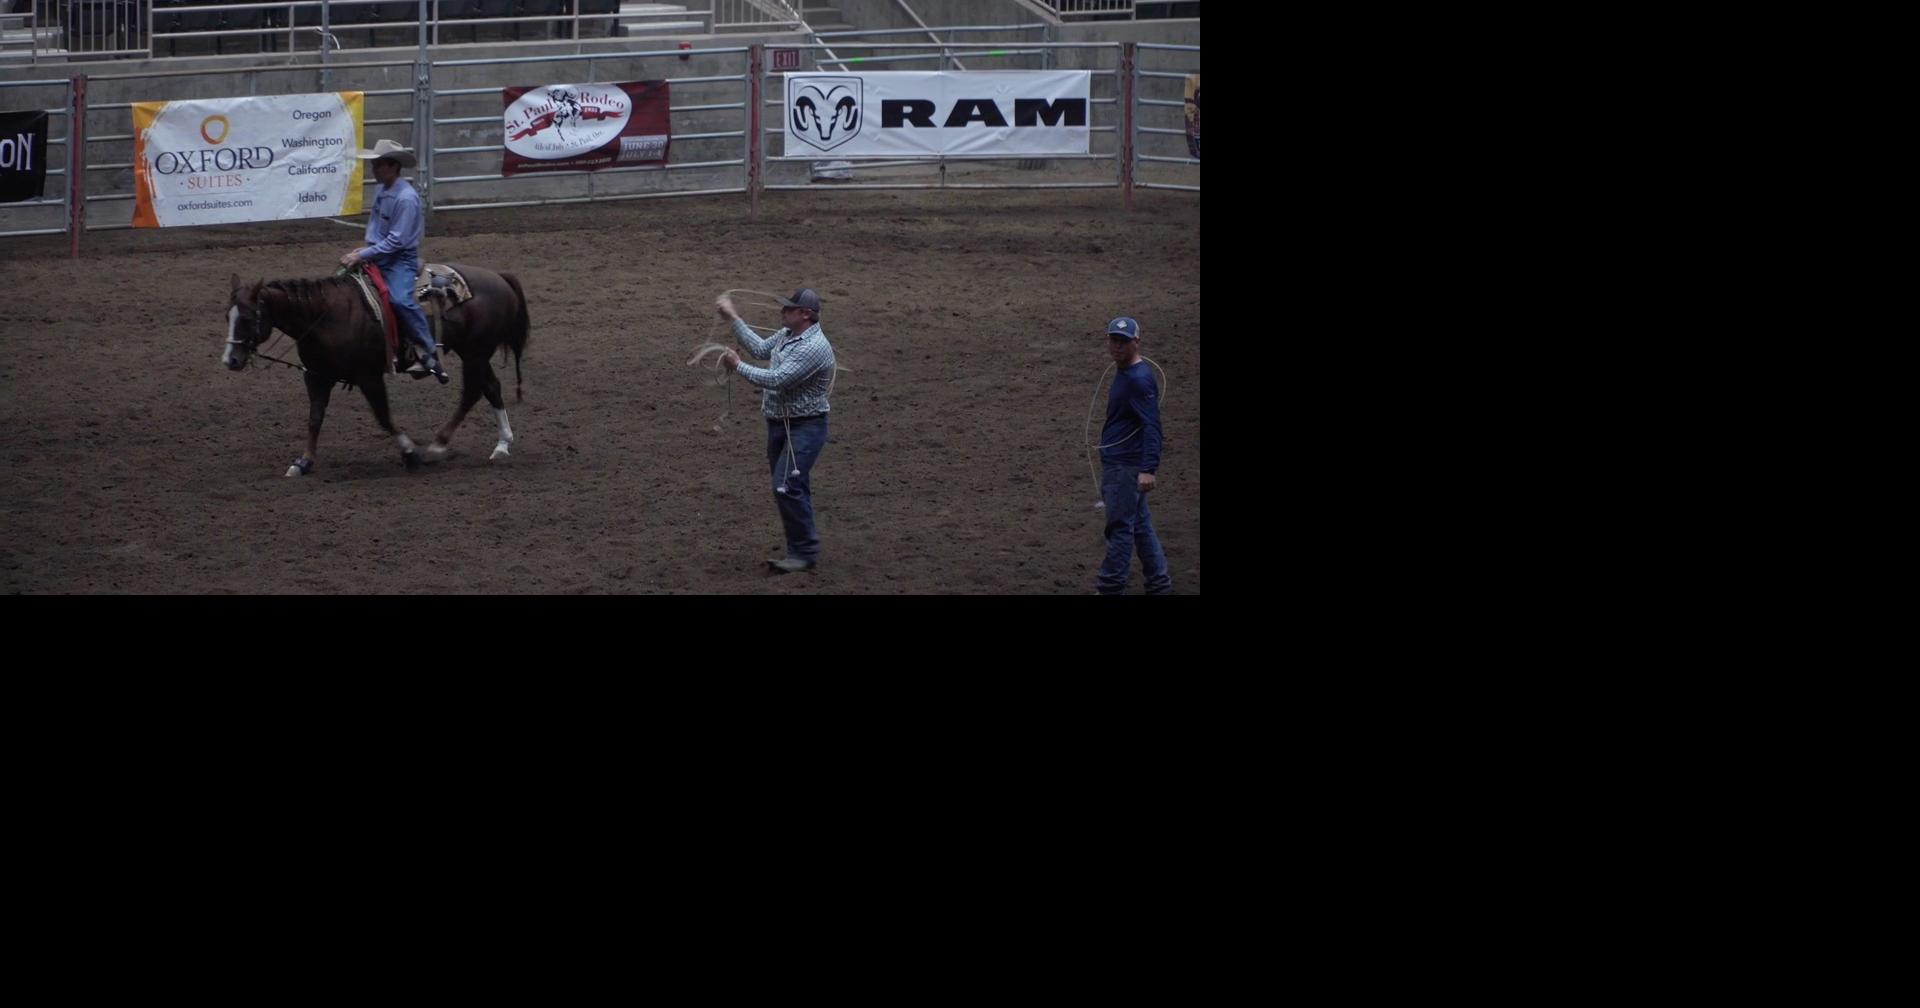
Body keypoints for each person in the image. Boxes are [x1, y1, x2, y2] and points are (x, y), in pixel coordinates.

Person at [717, 288, 837, 574]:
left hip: (804, 427)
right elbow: (760, 349)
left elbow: (778, 380)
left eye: (789, 309)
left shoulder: (814, 347)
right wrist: (733, 318)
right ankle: (802, 548)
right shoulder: (788, 335)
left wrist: (738, 365)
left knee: (785, 486)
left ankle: (804, 551)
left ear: (805, 314)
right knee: (792, 487)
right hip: (783, 423)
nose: (782, 312)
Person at [339, 138, 444, 383]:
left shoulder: (406, 198)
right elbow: (377, 230)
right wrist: (363, 250)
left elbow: (397, 241)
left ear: (393, 167)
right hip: (379, 252)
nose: (373, 170)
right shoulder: (381, 190)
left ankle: (427, 350)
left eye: (378, 165)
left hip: (400, 260)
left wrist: (362, 254)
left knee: (400, 299)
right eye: (374, 165)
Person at [1095, 315, 1172, 595]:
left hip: (1124, 466)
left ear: (1136, 343)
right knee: (1139, 526)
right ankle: (1159, 584)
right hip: (1125, 463)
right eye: (1113, 340)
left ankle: (1111, 588)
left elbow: (1152, 426)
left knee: (1119, 529)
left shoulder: (1138, 381)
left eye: (1123, 342)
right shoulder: (1128, 373)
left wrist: (1148, 468)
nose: (1117, 347)